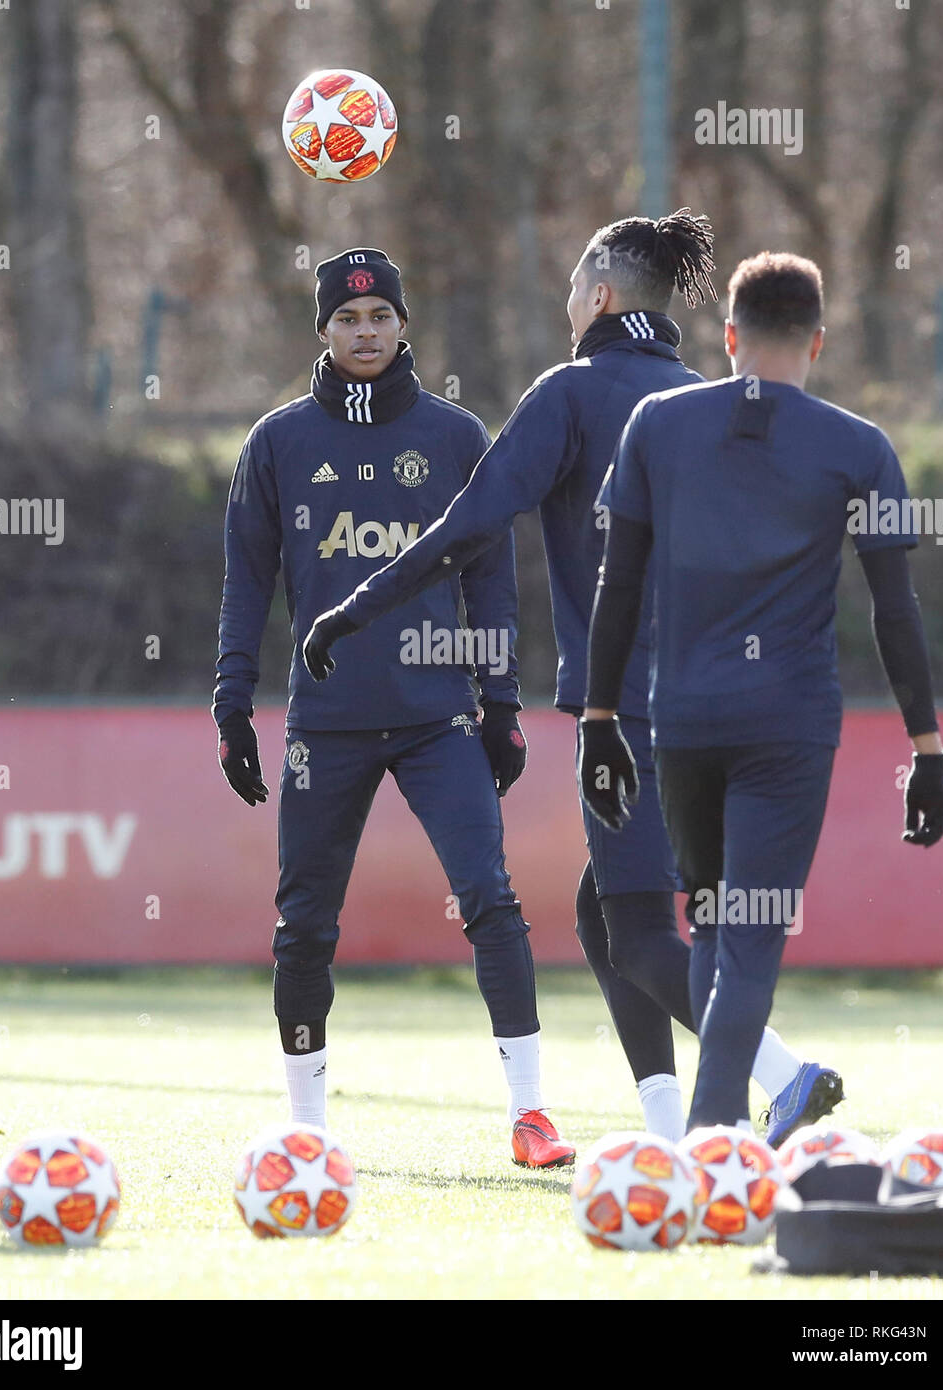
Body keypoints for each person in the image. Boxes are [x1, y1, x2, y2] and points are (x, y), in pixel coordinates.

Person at [303, 216, 840, 1146]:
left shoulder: (572, 394)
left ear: (598, 295)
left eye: (570, 283)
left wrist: (354, 607)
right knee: (605, 915)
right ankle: (670, 1128)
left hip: (629, 714)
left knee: (637, 934)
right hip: (730, 706)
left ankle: (785, 1076)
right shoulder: (705, 399)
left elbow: (470, 525)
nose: (564, 299)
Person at [213, 247, 574, 1169]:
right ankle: (309, 1128)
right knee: (303, 924)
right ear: (323, 332)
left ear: (404, 324)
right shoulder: (279, 442)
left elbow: (491, 577)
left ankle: (531, 1116)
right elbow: (247, 583)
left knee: (490, 897)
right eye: (347, 320)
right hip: (324, 722)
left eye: (380, 318)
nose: (365, 333)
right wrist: (230, 699)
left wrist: (500, 701)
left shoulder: (456, 436)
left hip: (436, 715)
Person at [578, 251, 943, 1133]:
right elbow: (896, 611)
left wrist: (598, 719)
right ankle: (714, 1148)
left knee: (711, 927)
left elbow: (616, 584)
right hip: (787, 725)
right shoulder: (858, 447)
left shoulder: (655, 424)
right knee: (746, 937)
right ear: (817, 340)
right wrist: (926, 747)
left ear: (730, 334)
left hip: (682, 723)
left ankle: (728, 1133)